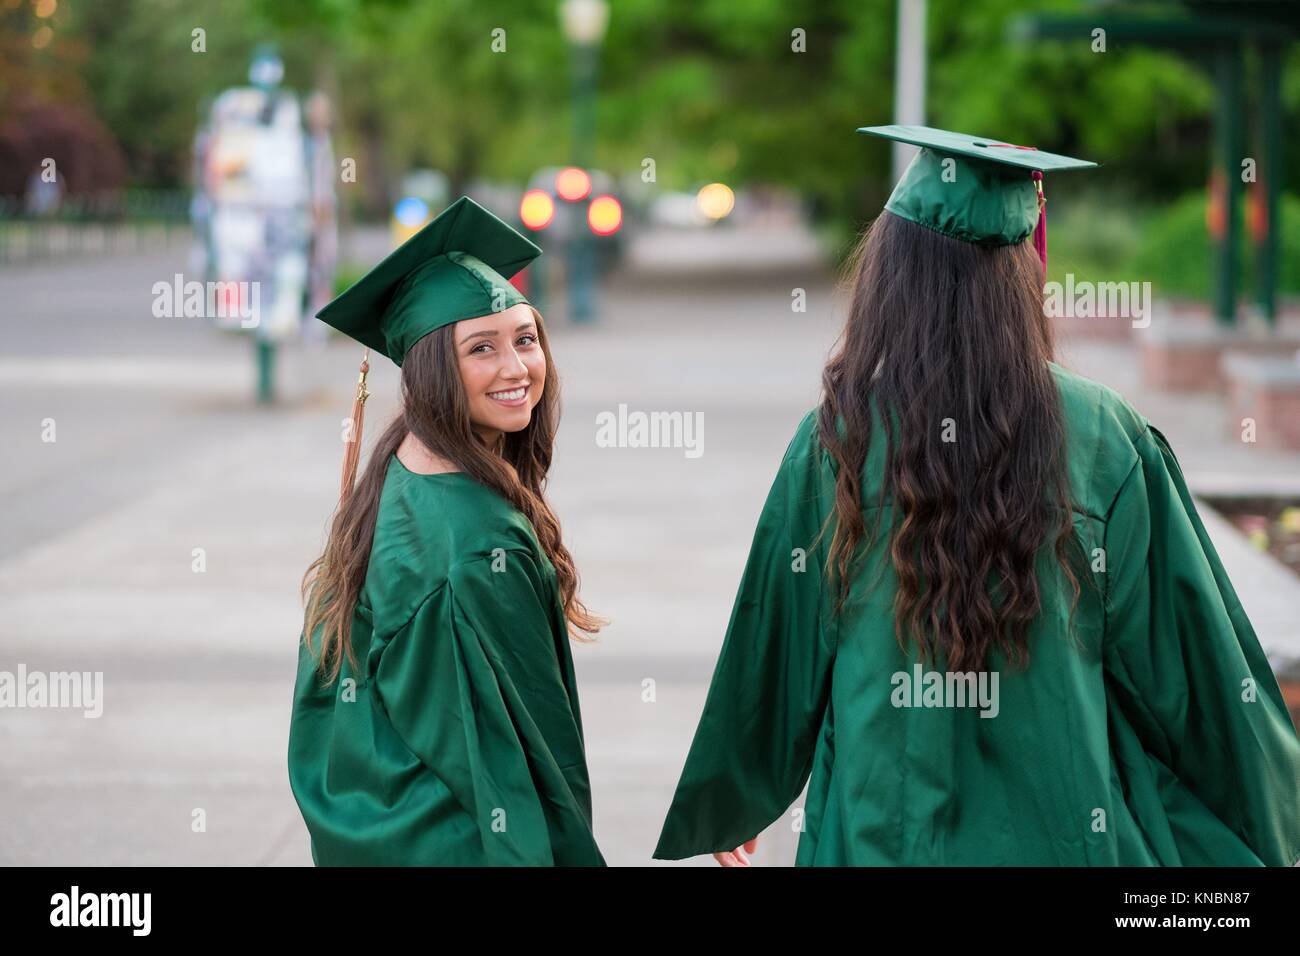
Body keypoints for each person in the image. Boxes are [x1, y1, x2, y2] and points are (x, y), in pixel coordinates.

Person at [653, 126, 1300, 867]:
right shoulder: (1103, 437)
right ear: (1024, 274)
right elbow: (1190, 668)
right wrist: (1264, 816)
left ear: (888, 279)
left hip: (878, 835)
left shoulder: (837, 439)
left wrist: (741, 791)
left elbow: (779, 647)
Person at [288, 197, 606, 865]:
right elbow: (524, 759)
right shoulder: (478, 543)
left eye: (526, 338)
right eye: (481, 349)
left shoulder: (399, 473)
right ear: (432, 367)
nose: (518, 368)